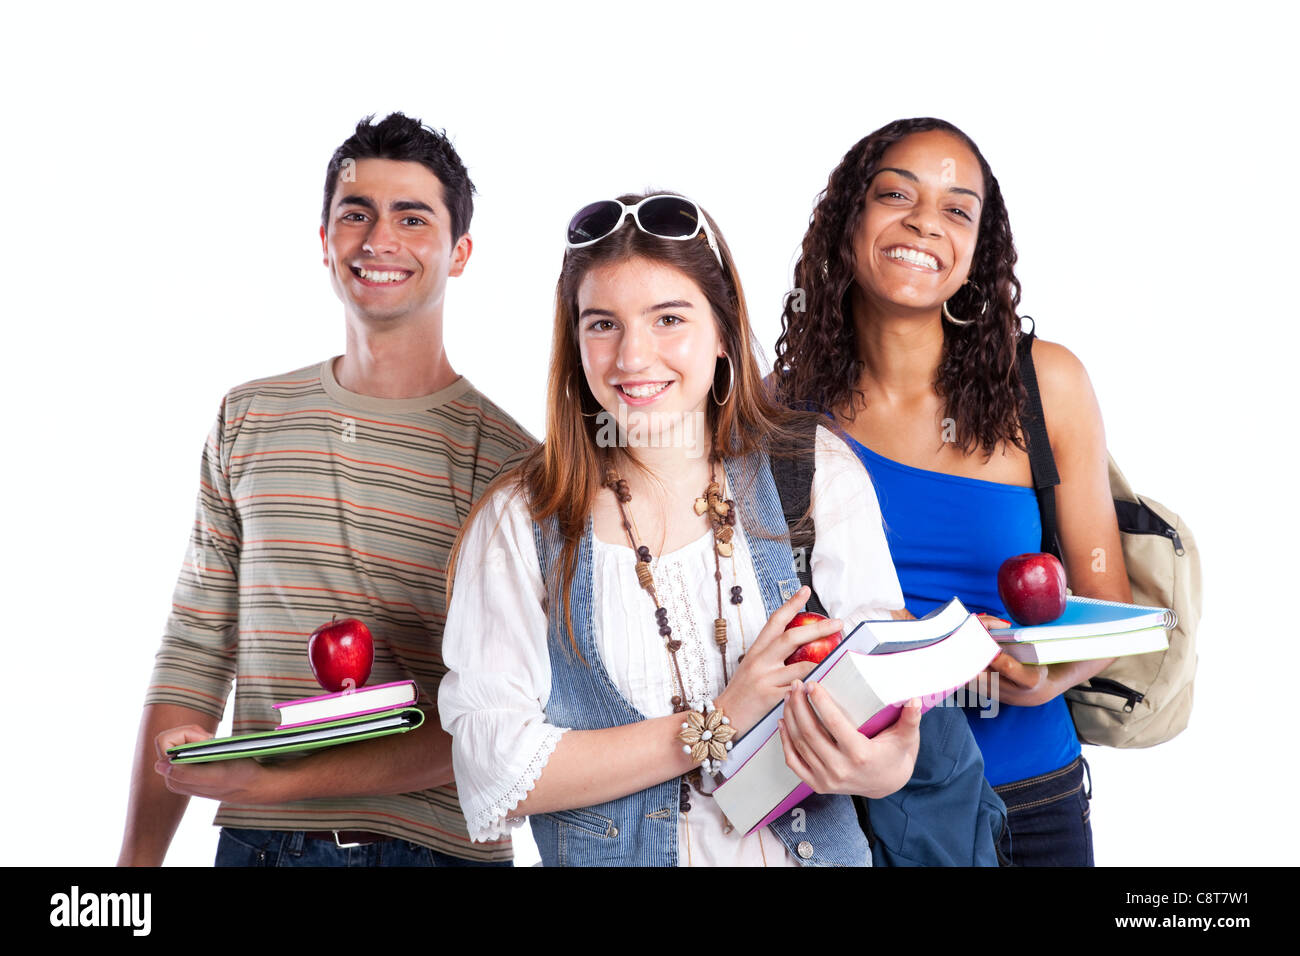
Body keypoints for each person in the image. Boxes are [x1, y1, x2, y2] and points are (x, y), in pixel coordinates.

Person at [437, 192, 925, 867]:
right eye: (603, 324)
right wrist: (717, 721)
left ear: (723, 333)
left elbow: (886, 724)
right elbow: (495, 771)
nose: (633, 357)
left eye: (668, 318)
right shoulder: (524, 518)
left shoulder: (813, 472)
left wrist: (880, 764)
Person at [117, 113, 533, 867]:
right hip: (259, 849)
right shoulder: (246, 418)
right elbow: (194, 648)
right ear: (323, 241)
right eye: (355, 214)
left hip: (436, 853)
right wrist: (135, 869)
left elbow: (497, 719)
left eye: (413, 217)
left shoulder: (511, 466)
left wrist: (274, 781)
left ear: (460, 252)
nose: (379, 239)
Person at [772, 117, 1133, 866]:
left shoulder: (1044, 385)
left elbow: (1114, 608)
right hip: (857, 807)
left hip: (1031, 799)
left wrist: (1044, 679)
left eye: (956, 209)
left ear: (977, 249)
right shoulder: (782, 410)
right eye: (895, 194)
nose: (924, 223)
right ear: (849, 221)